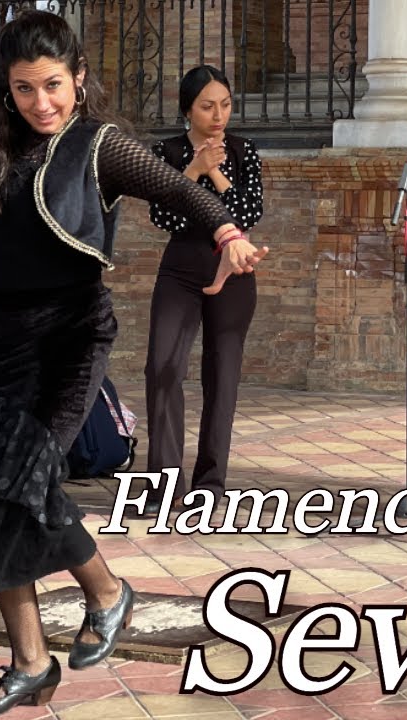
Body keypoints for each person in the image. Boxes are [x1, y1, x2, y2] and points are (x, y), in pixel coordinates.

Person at [0, 11, 269, 716]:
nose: (41, 102)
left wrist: (224, 231)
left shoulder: (99, 145)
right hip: (2, 337)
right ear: (5, 90)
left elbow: (177, 188)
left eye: (54, 86)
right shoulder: (2, 148)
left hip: (68, 339)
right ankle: (32, 662)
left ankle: (104, 593)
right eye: (25, 88)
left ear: (78, 80)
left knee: (21, 478)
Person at [140, 65, 263, 515]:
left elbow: (248, 213)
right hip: (181, 270)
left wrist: (218, 174)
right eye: (207, 106)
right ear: (187, 109)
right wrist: (192, 169)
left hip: (234, 268)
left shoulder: (244, 150)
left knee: (222, 378)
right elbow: (165, 218)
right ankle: (162, 485)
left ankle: (210, 485)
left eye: (225, 105)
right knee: (163, 368)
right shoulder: (167, 152)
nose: (218, 115)